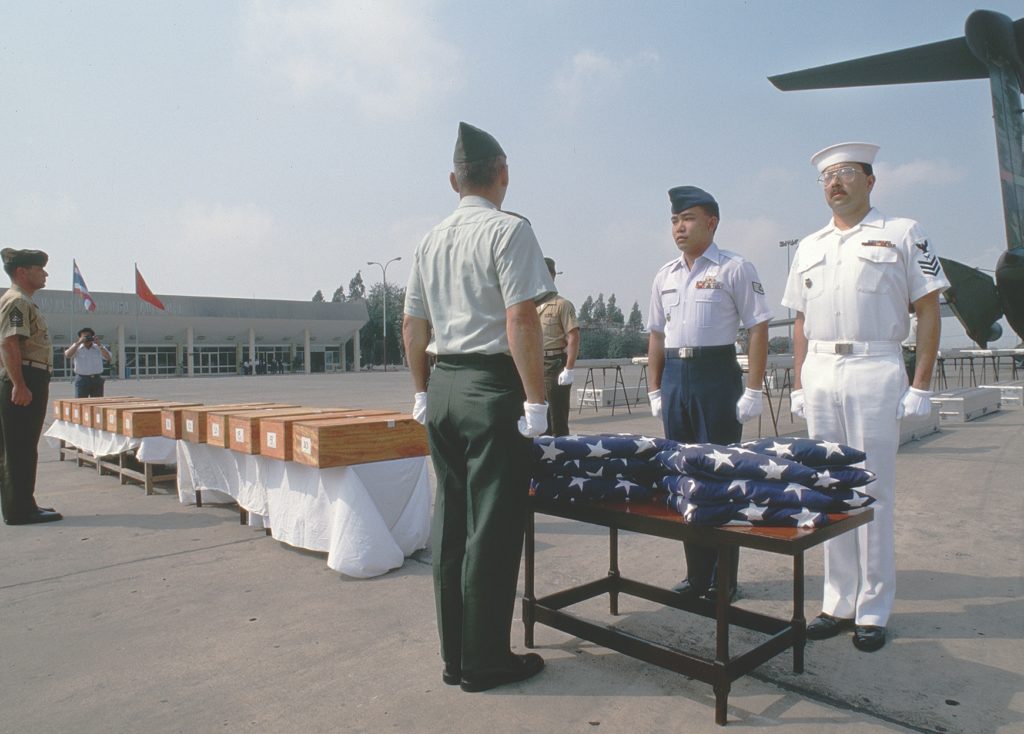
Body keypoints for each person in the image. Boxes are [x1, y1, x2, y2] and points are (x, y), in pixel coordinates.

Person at [403, 122, 554, 693]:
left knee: (451, 526)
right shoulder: (509, 231)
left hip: (442, 386)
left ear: (452, 180)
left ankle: (455, 658)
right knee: (492, 527)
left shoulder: (429, 239)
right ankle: (486, 660)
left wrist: (421, 390)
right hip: (492, 389)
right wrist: (536, 399)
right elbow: (521, 319)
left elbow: (412, 326)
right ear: (503, 175)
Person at [782, 142, 948, 652]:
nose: (836, 183)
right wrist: (799, 384)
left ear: (870, 181)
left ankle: (873, 606)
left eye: (847, 173)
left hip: (876, 365)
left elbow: (927, 310)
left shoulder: (901, 232)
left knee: (872, 490)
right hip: (823, 370)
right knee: (829, 488)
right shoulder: (809, 245)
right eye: (827, 176)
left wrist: (920, 383)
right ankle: (837, 600)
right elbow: (801, 322)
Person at [646, 186, 771, 602]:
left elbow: (757, 327)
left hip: (716, 376)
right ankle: (696, 576)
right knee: (685, 478)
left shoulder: (734, 267)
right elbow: (656, 335)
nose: (679, 228)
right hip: (676, 378)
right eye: (674, 221)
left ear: (711, 223)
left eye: (689, 219)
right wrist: (654, 388)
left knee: (719, 477)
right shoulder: (665, 274)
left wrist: (753, 386)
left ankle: (725, 579)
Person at [0, 248, 62, 525]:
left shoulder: (23, 301)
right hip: (25, 377)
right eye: (40, 269)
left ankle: (23, 504)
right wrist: (19, 385)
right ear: (22, 272)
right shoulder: (17, 302)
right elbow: (9, 343)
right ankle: (20, 510)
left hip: (28, 376)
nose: (45, 273)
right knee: (20, 446)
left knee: (22, 446)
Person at [537, 257, 579, 436]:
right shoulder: (530, 305)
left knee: (556, 416)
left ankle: (561, 457)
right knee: (537, 415)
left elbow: (573, 337)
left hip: (555, 364)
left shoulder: (562, 305)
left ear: (552, 276)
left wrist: (569, 368)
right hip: (535, 363)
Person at [64, 327, 111, 397]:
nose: (87, 338)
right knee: (80, 403)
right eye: (84, 337)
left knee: (97, 404)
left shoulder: (98, 347)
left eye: (89, 336)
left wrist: (99, 344)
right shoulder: (77, 347)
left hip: (96, 379)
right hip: (82, 379)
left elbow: (108, 357)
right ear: (80, 338)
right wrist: (79, 342)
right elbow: (68, 355)